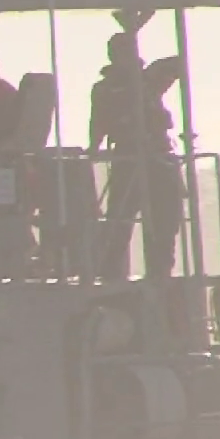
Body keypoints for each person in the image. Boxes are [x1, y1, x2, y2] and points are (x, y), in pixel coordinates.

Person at [90, 31, 185, 279]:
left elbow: (176, 64)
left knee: (163, 220)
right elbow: (98, 122)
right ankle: (111, 271)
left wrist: (135, 30)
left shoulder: (148, 81)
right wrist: (93, 147)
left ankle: (159, 272)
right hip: (128, 158)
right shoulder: (105, 89)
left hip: (158, 158)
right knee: (120, 221)